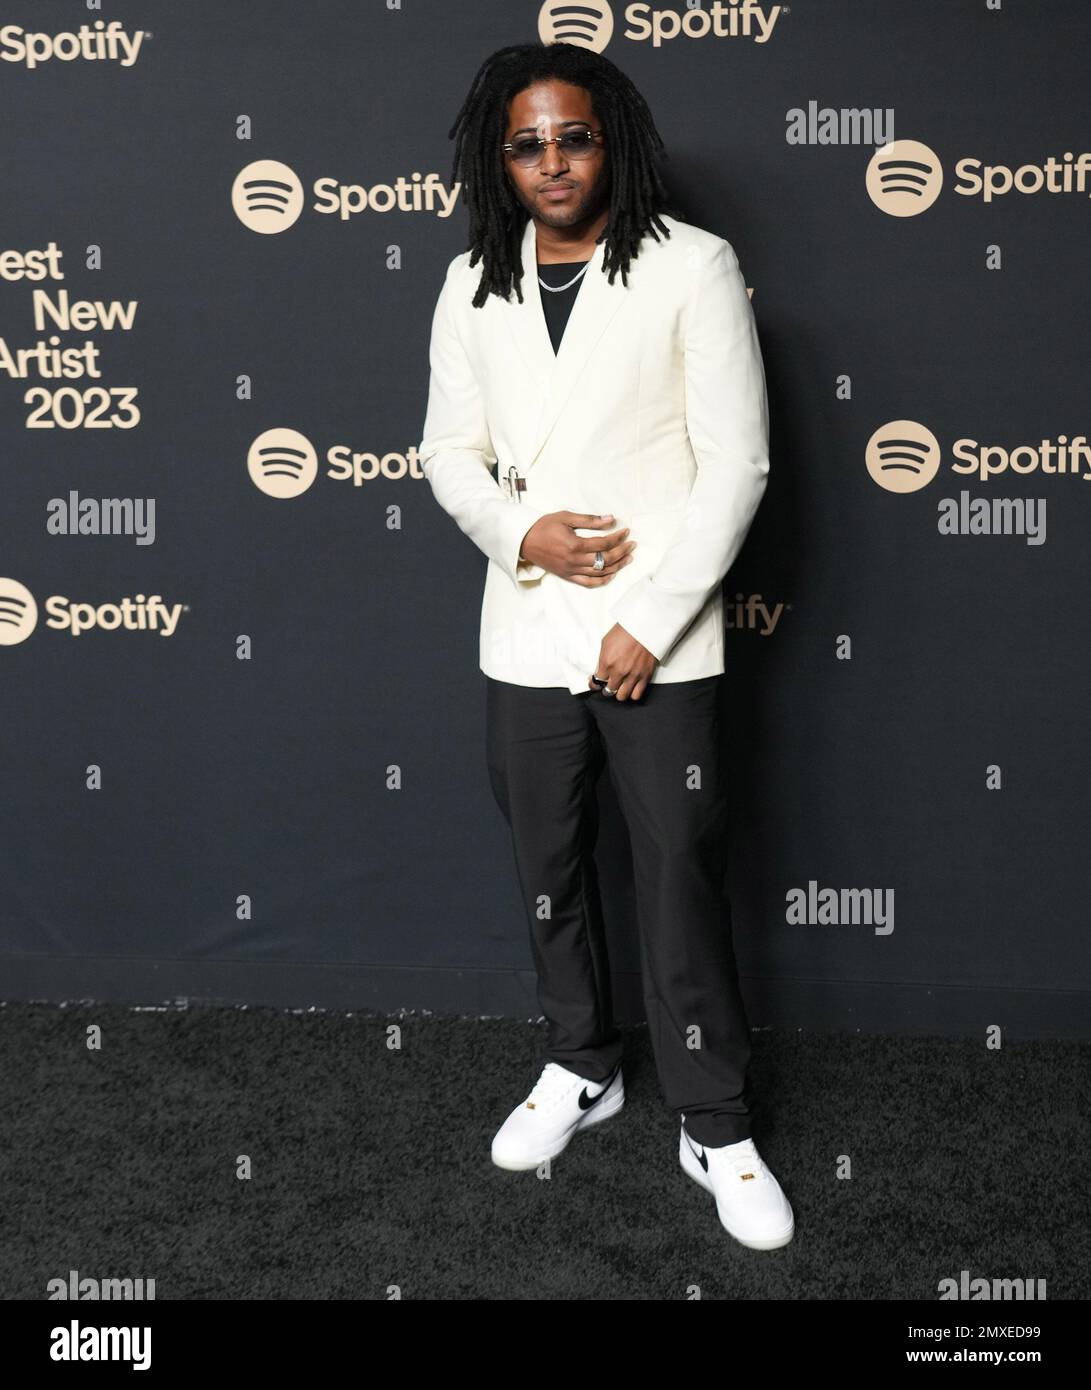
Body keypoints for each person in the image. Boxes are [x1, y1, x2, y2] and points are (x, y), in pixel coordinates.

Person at [418, 40, 792, 1251]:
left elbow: (735, 462)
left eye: (571, 136)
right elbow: (446, 457)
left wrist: (649, 619)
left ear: (611, 139)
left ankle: (713, 1116)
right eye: (525, 143)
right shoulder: (469, 283)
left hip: (658, 640)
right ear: (499, 157)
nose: (550, 161)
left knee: (678, 873)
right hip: (524, 630)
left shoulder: (694, 268)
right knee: (548, 869)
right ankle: (581, 1060)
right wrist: (525, 528)